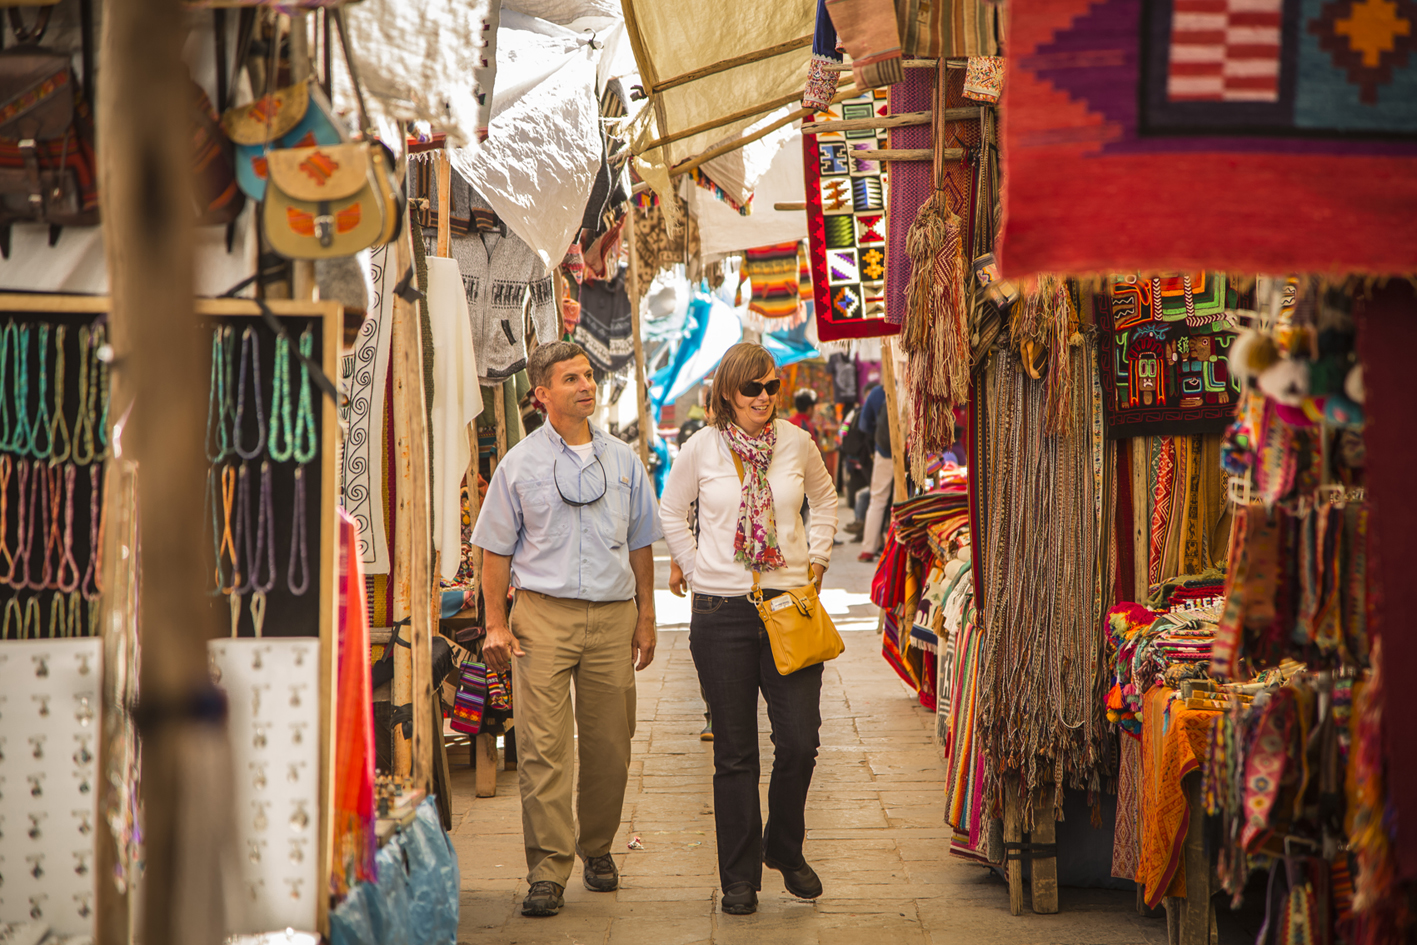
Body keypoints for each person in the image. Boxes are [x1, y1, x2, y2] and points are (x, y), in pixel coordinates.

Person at [472, 340, 663, 919]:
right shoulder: (519, 464)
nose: (586, 385)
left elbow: (640, 544)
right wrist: (496, 625)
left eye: (588, 375)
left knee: (610, 746)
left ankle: (598, 849)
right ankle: (548, 871)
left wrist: (647, 616)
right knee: (542, 749)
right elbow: (494, 553)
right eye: (571, 378)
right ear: (541, 394)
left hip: (612, 617)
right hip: (542, 618)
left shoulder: (623, 460)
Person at [659, 343, 838, 916]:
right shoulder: (701, 448)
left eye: (771, 388)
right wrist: (693, 566)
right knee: (735, 753)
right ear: (727, 395)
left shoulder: (797, 442)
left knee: (800, 741)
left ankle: (783, 847)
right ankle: (738, 878)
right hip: (722, 614)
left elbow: (825, 500)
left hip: (789, 604)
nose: (764, 398)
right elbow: (670, 510)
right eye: (752, 389)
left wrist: (818, 556)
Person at [855, 382, 894, 562]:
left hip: (884, 452)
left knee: (877, 499)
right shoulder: (913, 385)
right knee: (901, 501)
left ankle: (868, 549)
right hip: (910, 455)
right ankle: (896, 548)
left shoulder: (878, 392)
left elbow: (864, 425)